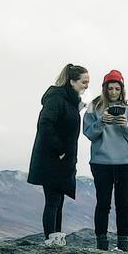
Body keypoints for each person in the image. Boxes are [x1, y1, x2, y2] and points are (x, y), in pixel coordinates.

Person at [83, 69, 128, 251]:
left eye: (117, 88)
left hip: (125, 163)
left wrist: (126, 127)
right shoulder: (94, 108)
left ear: (122, 89)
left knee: (123, 205)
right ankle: (101, 243)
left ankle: (123, 244)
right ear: (105, 88)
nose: (114, 92)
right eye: (111, 88)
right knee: (103, 203)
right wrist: (102, 121)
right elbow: (89, 134)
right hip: (101, 163)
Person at [28, 63, 89, 243]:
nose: (86, 85)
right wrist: (60, 148)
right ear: (72, 82)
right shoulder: (56, 98)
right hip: (52, 158)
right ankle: (50, 238)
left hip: (63, 159)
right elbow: (45, 124)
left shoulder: (70, 101)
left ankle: (56, 237)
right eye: (84, 82)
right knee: (53, 199)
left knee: (59, 199)